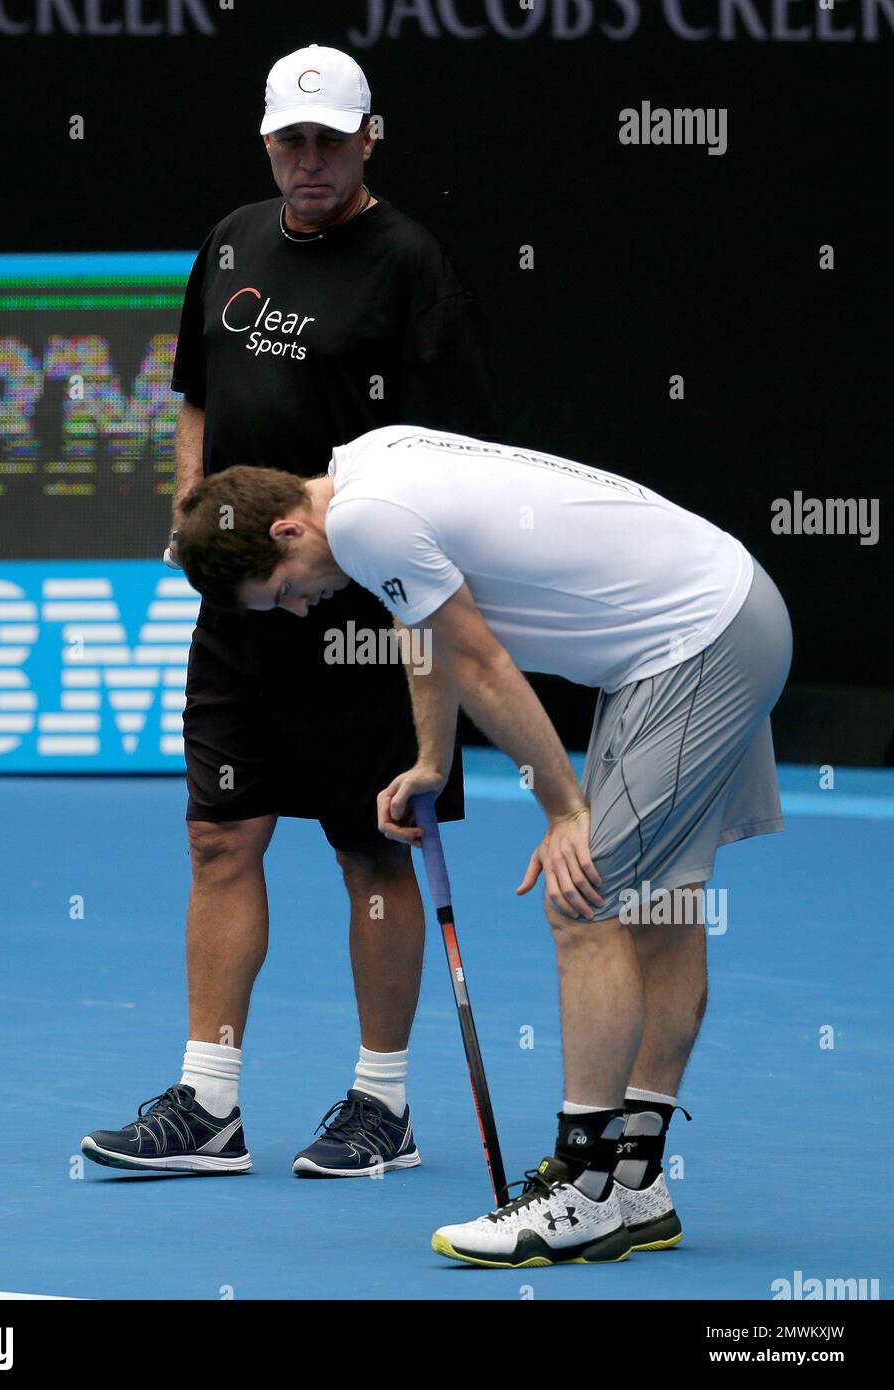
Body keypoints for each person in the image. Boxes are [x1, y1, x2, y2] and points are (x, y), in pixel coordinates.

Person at [171, 423, 793, 1267]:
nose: (298, 607)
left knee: (584, 900)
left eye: (280, 590)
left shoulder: (364, 521)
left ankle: (582, 1191)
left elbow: (486, 664)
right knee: (659, 902)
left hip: (695, 642)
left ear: (287, 531)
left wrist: (565, 809)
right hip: (708, 619)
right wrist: (431, 759)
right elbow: (427, 629)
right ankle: (635, 1180)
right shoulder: (365, 468)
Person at [81, 49, 496, 1179]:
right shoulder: (230, 240)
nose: (307, 161)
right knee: (221, 837)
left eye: (329, 140)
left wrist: (392, 588)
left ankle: (384, 1106)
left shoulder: (411, 264)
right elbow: (198, 399)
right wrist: (195, 524)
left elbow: (450, 460)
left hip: (361, 611)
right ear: (267, 142)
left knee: (372, 852)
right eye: (288, 141)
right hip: (239, 607)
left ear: (371, 138)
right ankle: (208, 1104)